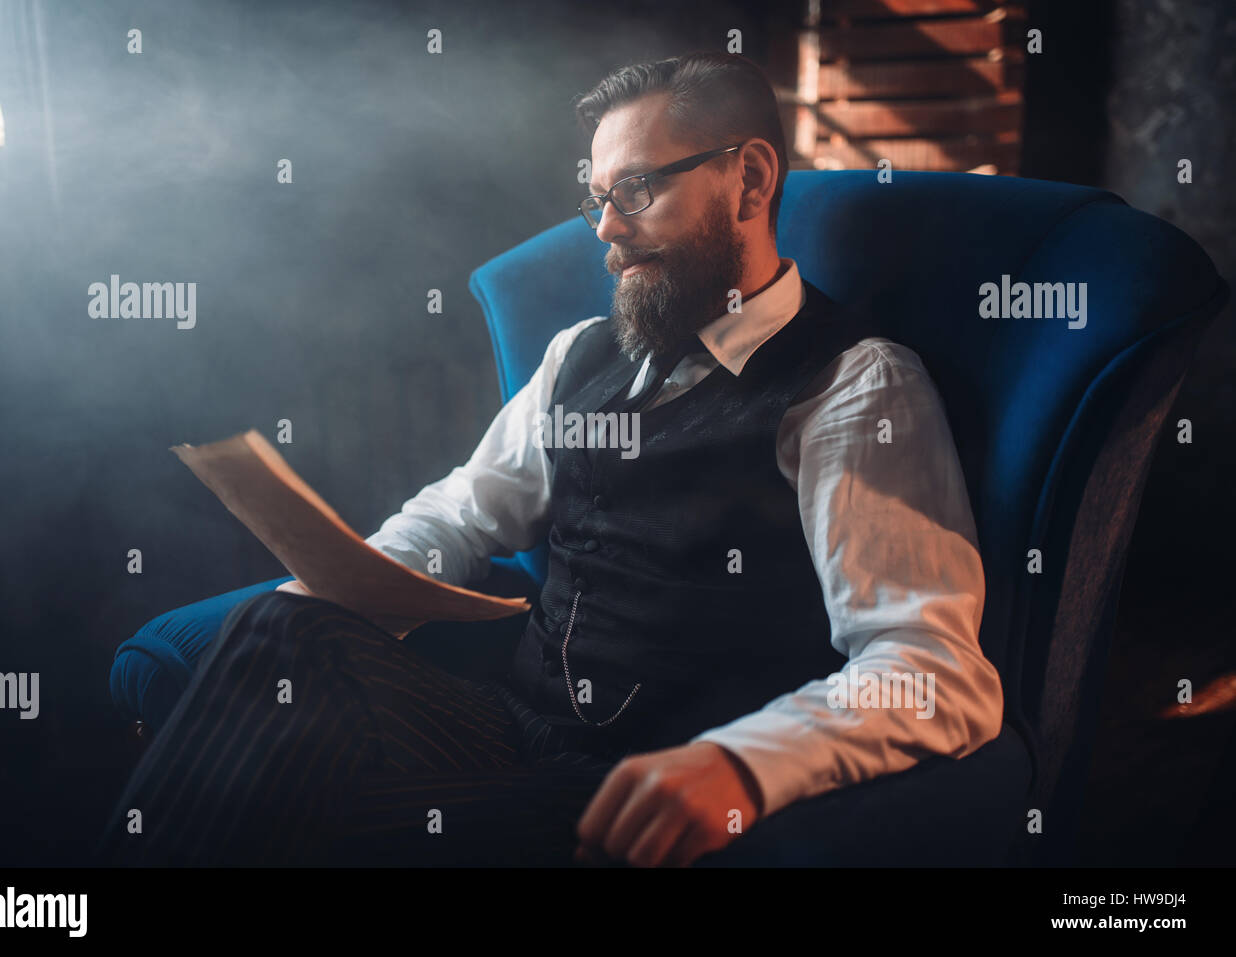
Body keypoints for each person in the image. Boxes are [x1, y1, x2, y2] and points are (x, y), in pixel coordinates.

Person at [99, 50, 1004, 869]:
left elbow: (930, 664)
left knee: (289, 813)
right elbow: (461, 513)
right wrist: (348, 579)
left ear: (751, 178)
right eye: (597, 198)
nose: (605, 230)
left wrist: (738, 763)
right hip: (507, 725)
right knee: (285, 630)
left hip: (640, 782)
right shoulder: (579, 354)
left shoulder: (852, 384)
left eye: (638, 189)